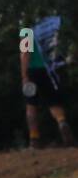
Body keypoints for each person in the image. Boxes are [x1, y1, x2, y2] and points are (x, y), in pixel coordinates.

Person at [21, 15, 75, 148]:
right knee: (53, 102)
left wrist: (24, 75)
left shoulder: (26, 28)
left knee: (31, 105)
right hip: (49, 69)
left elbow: (25, 52)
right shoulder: (52, 25)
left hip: (33, 71)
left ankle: (34, 139)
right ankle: (62, 122)